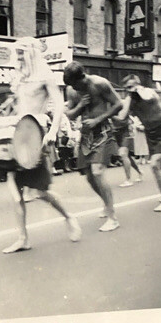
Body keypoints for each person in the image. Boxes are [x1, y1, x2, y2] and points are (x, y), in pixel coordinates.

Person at [0, 41, 81, 253]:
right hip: (17, 135)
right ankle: (23, 238)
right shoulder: (18, 77)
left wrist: (53, 131)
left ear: (30, 53)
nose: (16, 58)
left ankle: (69, 217)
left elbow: (58, 105)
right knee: (14, 191)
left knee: (40, 192)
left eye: (19, 53)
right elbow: (19, 107)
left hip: (36, 135)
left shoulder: (45, 75)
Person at [64, 61, 123, 232]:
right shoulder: (72, 90)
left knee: (98, 171)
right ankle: (106, 204)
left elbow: (118, 104)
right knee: (89, 176)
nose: (74, 88)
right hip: (86, 135)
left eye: (76, 84)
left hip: (103, 131)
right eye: (71, 85)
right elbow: (70, 115)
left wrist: (98, 119)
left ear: (82, 77)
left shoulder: (99, 83)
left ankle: (113, 217)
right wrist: (81, 105)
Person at [119, 74, 161, 212]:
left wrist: (137, 90)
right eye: (126, 88)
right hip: (151, 133)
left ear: (137, 84)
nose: (129, 90)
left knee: (155, 164)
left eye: (131, 86)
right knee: (159, 166)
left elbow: (147, 96)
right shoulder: (130, 99)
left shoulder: (148, 92)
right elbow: (122, 116)